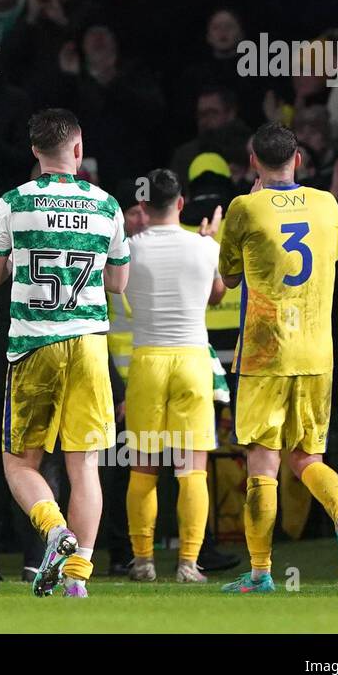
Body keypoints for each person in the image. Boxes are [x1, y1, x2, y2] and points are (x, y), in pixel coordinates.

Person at [0, 108, 130, 598]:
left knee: (20, 463)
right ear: (79, 149)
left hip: (33, 344)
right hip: (88, 345)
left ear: (35, 153)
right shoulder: (108, 206)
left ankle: (54, 530)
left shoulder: (13, 202)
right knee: (84, 466)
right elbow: (118, 281)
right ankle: (77, 579)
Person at [216, 121, 338, 592]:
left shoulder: (244, 207)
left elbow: (231, 277)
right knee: (306, 458)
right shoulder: (327, 206)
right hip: (318, 354)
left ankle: (261, 573)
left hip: (265, 353)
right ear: (298, 158)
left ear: (253, 162)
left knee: (262, 463)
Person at [122, 169, 226, 584]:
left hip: (147, 362)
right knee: (192, 470)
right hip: (192, 362)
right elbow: (216, 295)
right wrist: (209, 241)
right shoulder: (204, 249)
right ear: (181, 204)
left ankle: (143, 561)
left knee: (144, 469)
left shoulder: (129, 248)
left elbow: (120, 289)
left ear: (143, 208)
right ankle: (187, 563)